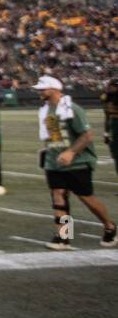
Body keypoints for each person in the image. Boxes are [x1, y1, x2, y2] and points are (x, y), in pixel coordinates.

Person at [33, 76, 117, 250]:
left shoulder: (72, 109)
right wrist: (49, 148)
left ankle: (110, 226)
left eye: (43, 89)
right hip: (54, 162)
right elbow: (56, 135)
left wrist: (71, 152)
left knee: (86, 197)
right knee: (58, 195)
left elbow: (87, 135)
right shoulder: (47, 110)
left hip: (78, 161)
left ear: (54, 89)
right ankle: (64, 237)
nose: (39, 92)